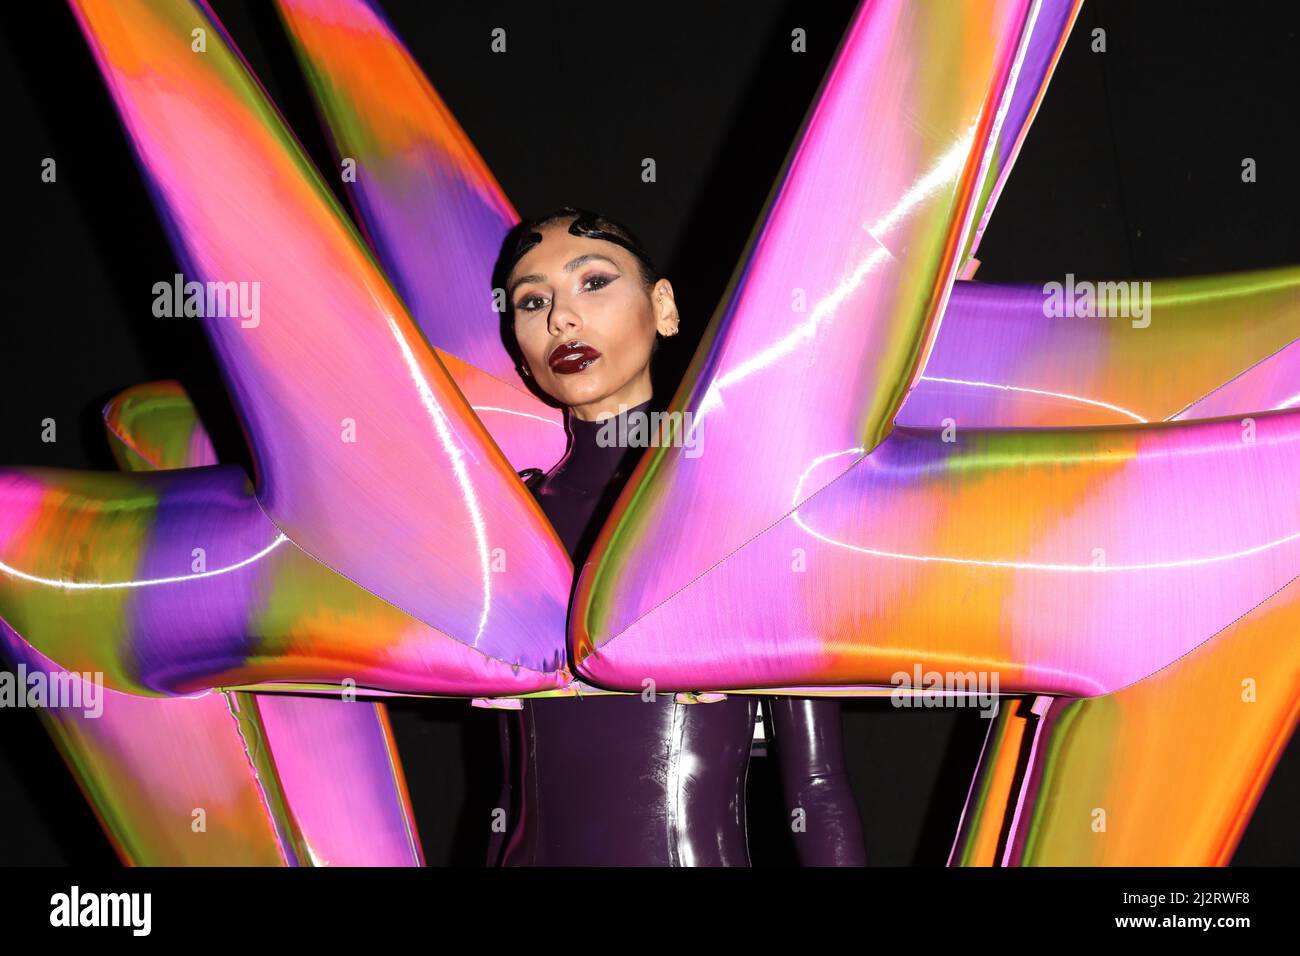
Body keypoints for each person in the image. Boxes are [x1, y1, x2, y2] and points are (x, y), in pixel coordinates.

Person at [486, 206, 866, 866]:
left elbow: (816, 783)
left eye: (593, 282)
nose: (561, 318)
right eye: (532, 301)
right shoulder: (506, 522)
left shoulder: (739, 509)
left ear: (663, 307)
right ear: (518, 354)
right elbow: (511, 787)